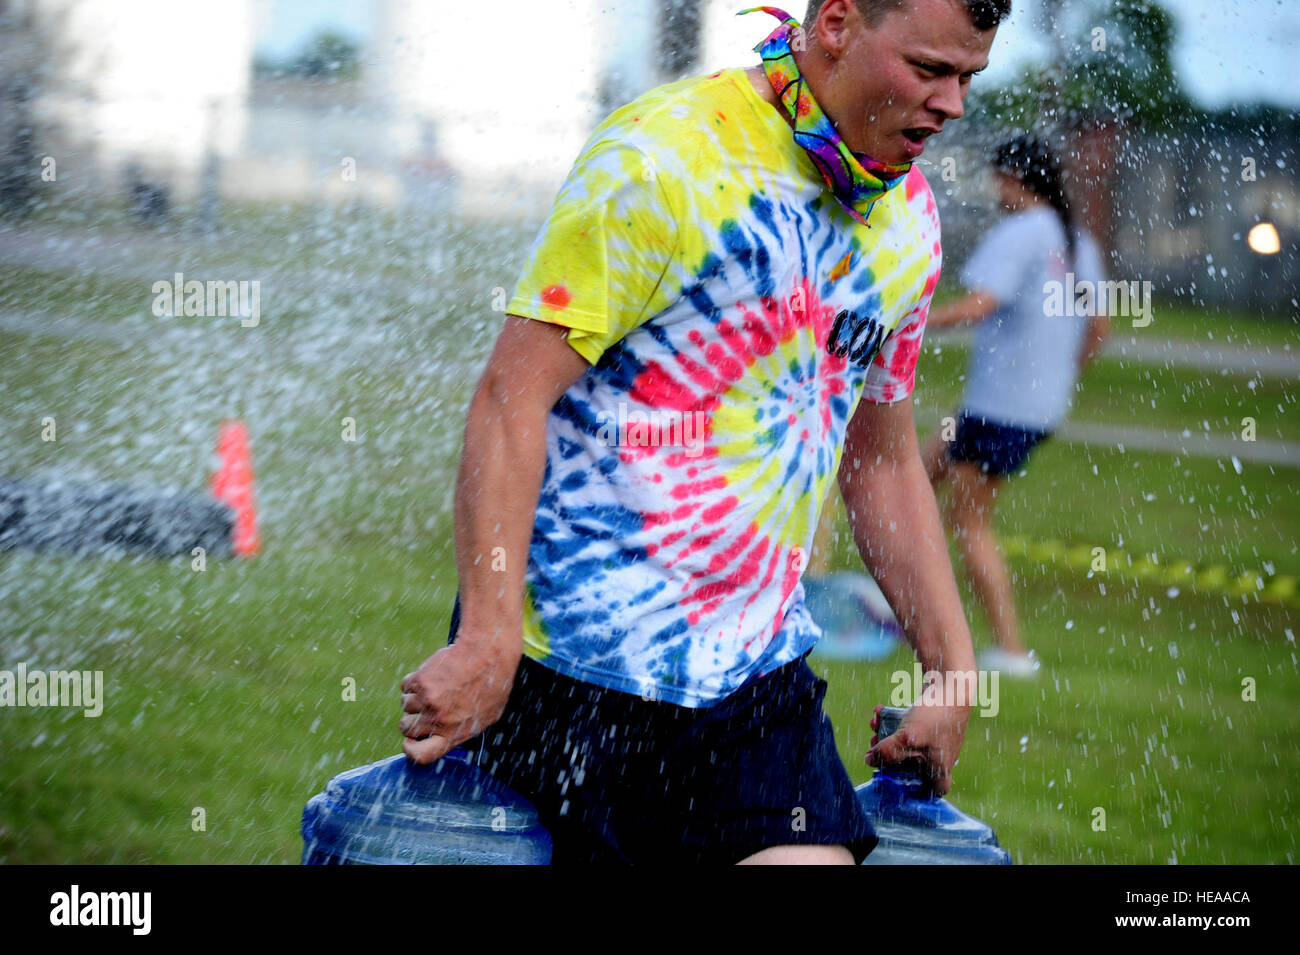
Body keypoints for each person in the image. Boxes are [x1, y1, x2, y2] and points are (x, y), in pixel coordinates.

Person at [400, 0, 1009, 864]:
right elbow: (510, 400)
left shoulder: (906, 223)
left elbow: (879, 460)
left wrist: (950, 670)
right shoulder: (663, 158)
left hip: (754, 689)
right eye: (928, 69)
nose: (952, 105)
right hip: (564, 670)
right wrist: (488, 634)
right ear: (835, 23)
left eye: (967, 77)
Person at [920, 135, 1111, 677]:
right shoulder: (1077, 240)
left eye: (995, 178)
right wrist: (1055, 377)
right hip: (1030, 407)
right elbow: (1099, 327)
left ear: (1014, 179)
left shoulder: (1021, 232)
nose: (991, 189)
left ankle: (1010, 651)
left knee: (970, 524)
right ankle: (898, 604)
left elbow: (982, 305)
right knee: (909, 480)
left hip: (998, 408)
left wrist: (906, 323)